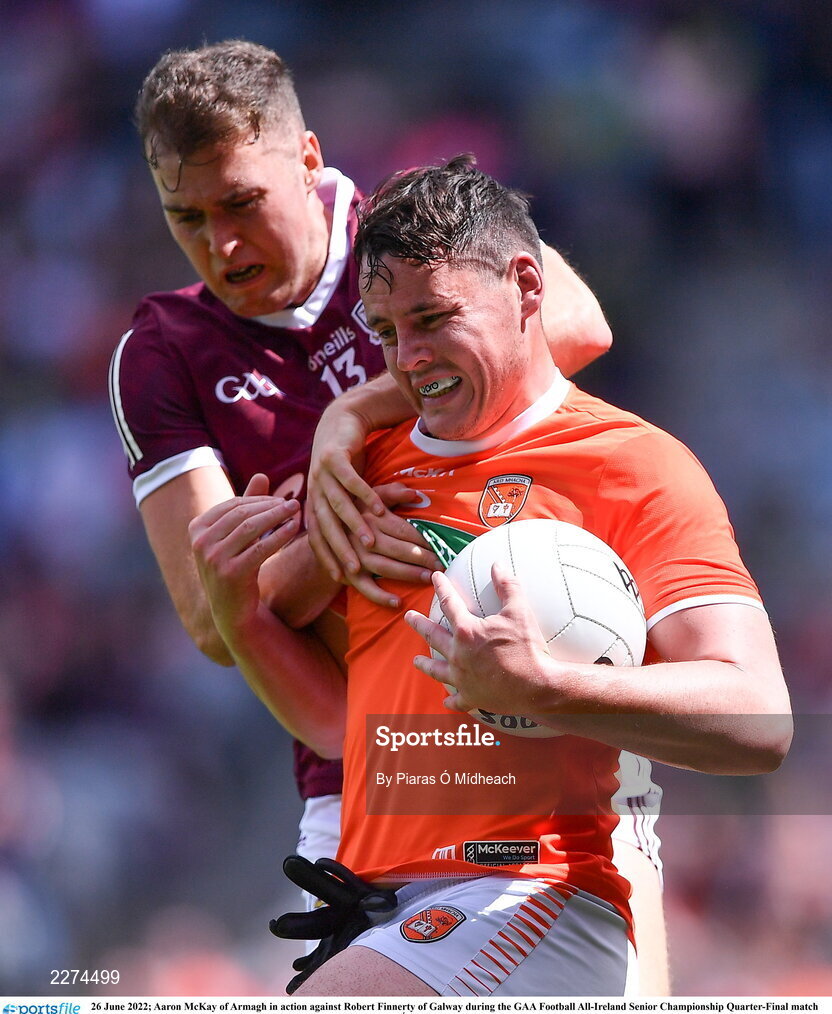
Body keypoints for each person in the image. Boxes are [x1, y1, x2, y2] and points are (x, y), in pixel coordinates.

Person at [105, 39, 679, 981]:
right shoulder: (160, 355)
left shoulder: (411, 229)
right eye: (189, 219)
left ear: (306, 159)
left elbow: (576, 320)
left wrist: (354, 422)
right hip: (351, 792)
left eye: (242, 203)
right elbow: (215, 618)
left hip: (530, 754)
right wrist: (337, 532)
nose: (224, 246)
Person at [190, 156, 791, 997]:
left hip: (542, 894)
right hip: (392, 909)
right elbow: (340, 732)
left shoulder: (633, 465)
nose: (409, 358)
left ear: (526, 287)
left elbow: (760, 718)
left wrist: (545, 685)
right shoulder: (368, 467)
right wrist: (241, 615)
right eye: (387, 330)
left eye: (435, 318)